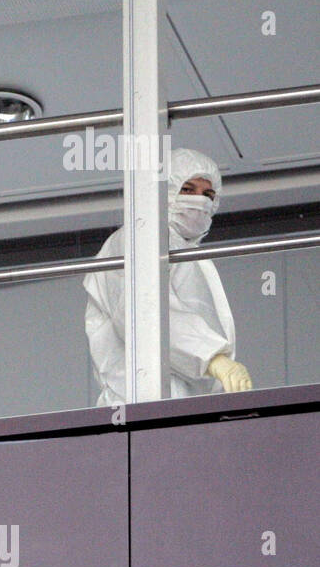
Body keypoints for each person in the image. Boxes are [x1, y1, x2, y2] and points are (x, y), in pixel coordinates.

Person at [84, 147, 252, 406]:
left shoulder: (189, 253)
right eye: (187, 189)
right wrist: (213, 359)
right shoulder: (136, 238)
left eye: (208, 194)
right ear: (163, 191)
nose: (200, 201)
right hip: (138, 401)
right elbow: (144, 311)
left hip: (179, 404)